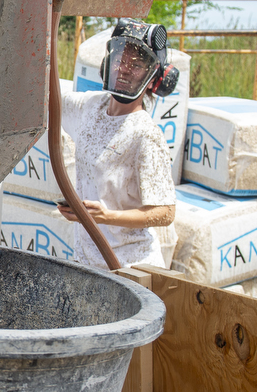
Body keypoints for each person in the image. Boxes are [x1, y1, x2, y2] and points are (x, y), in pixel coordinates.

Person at [58, 19, 177, 269]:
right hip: (90, 263)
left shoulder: (145, 133)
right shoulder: (90, 107)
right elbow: (49, 99)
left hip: (130, 266)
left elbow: (165, 212)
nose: (124, 69)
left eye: (136, 65)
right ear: (107, 64)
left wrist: (107, 217)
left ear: (154, 78)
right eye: (121, 59)